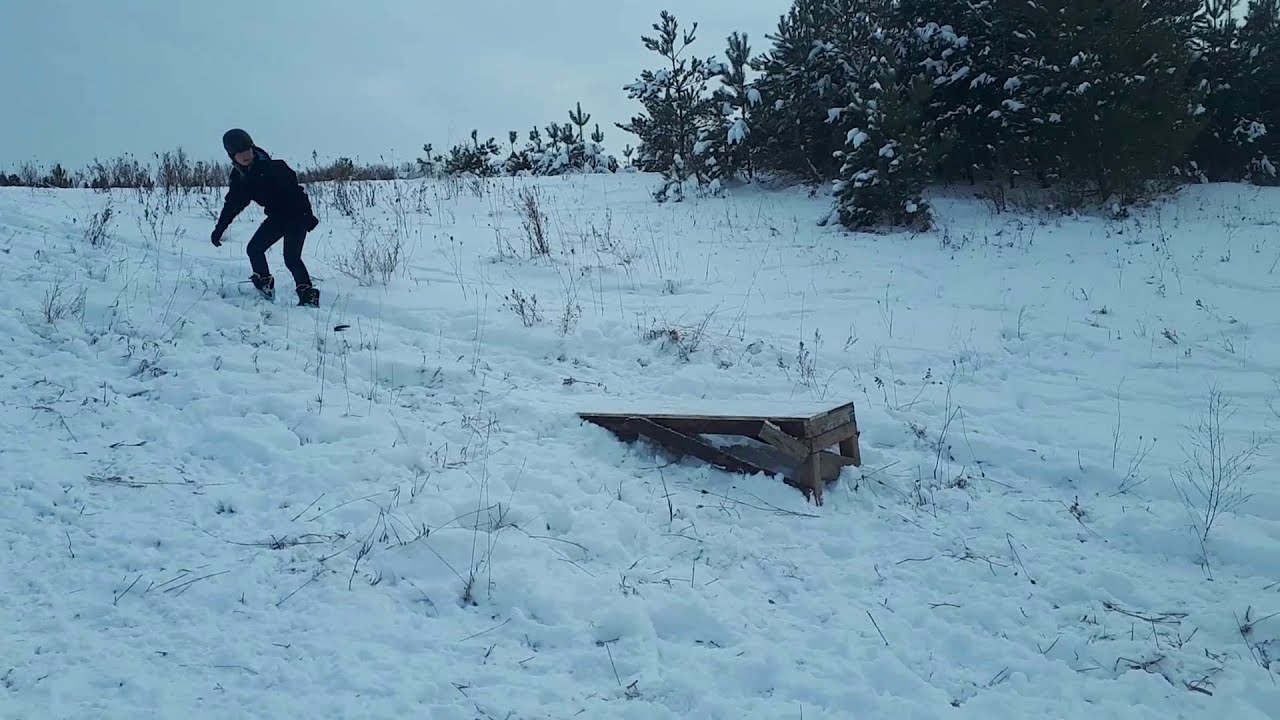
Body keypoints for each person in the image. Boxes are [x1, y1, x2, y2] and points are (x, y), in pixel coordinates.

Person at [211, 128, 321, 307]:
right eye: (239, 152)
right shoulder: (240, 179)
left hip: (296, 215)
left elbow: (297, 193)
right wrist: (219, 229)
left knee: (291, 258)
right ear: (232, 156)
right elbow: (232, 204)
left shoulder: (275, 167)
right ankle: (265, 286)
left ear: (253, 147)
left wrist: (307, 216)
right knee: (254, 249)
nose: (245, 154)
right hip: (276, 218)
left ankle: (308, 295)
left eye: (247, 149)